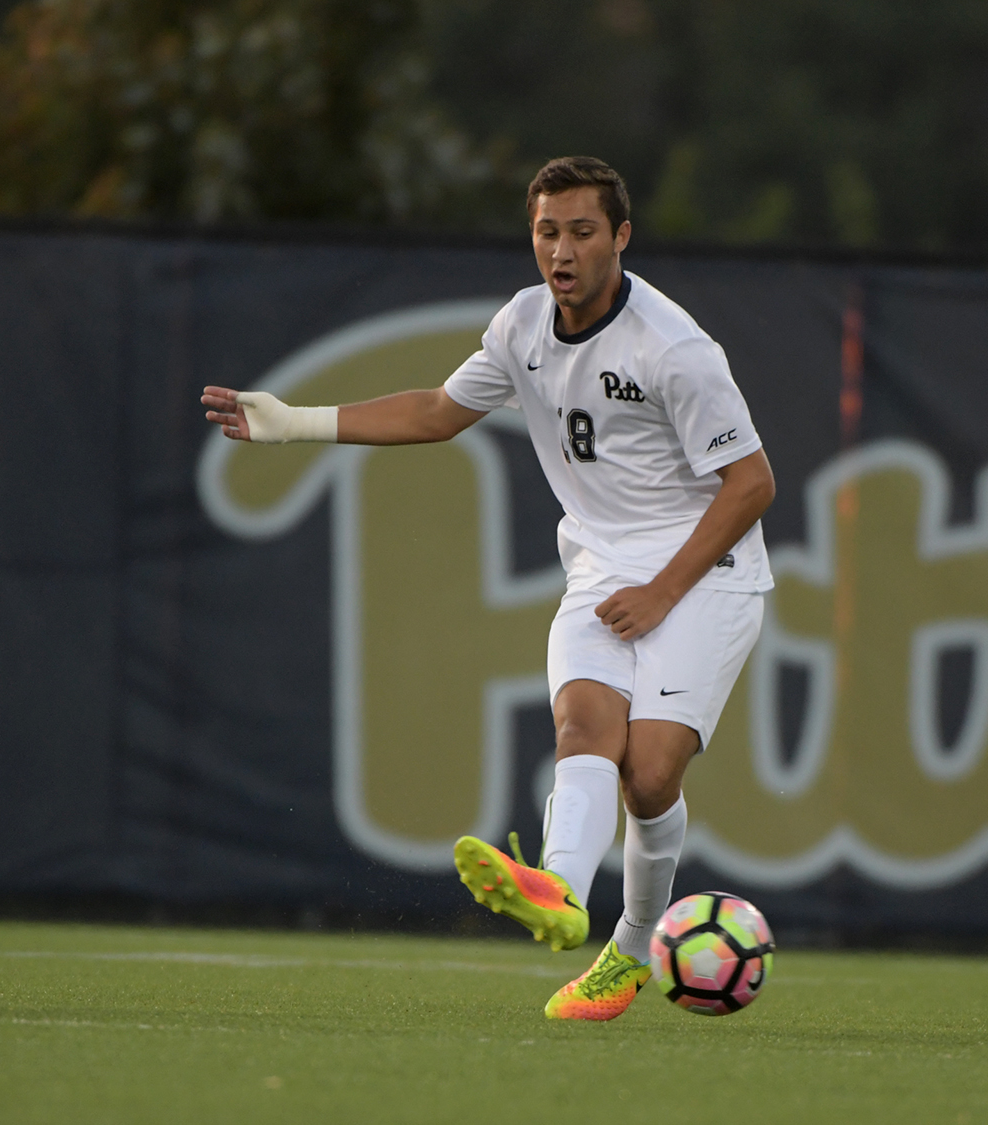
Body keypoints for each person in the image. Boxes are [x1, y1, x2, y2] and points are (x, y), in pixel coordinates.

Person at [202, 156, 774, 1021]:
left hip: (705, 571)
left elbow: (753, 483)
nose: (562, 251)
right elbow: (439, 411)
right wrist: (295, 422)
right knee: (583, 725)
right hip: (601, 565)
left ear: (621, 236)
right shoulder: (522, 326)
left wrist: (661, 592)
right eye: (547, 232)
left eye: (582, 232)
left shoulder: (674, 349)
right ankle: (558, 889)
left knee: (651, 777)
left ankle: (630, 946)